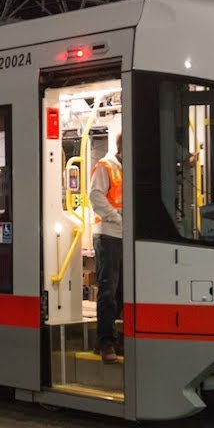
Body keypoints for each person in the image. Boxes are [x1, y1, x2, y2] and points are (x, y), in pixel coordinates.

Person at [89, 131, 124, 363]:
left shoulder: (124, 168)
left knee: (121, 291)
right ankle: (105, 342)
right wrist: (117, 218)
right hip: (108, 235)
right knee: (109, 291)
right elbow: (95, 196)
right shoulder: (106, 166)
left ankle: (111, 337)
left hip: (123, 237)